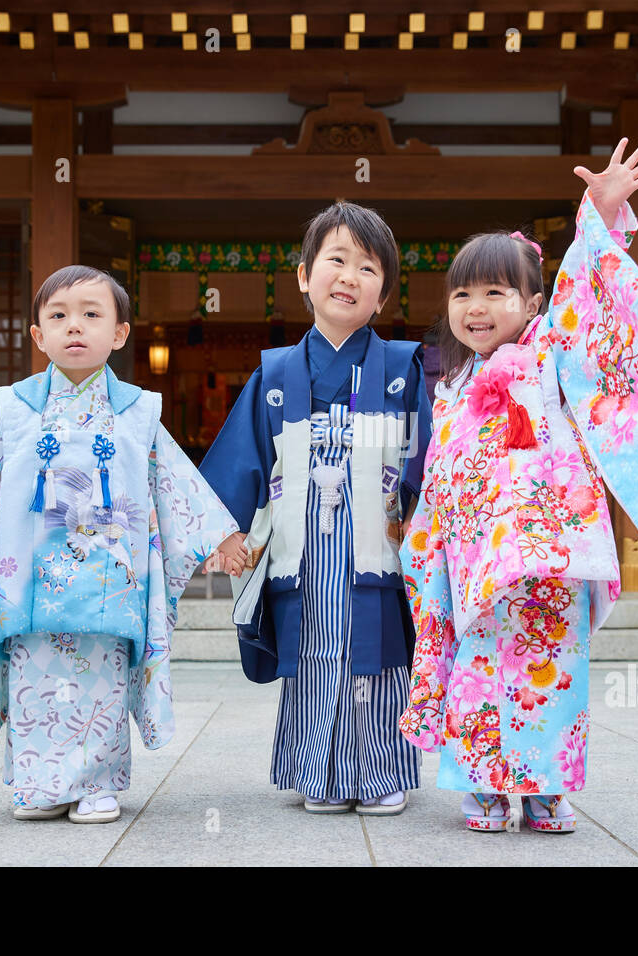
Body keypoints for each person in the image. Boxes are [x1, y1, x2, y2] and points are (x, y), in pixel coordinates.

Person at [399, 140, 638, 832]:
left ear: (530, 302)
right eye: (462, 293)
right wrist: (425, 541)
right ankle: (487, 785)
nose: (475, 307)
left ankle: (548, 785)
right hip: (476, 558)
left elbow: (586, 287)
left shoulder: (550, 355)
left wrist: (601, 211)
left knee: (551, 668)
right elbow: (441, 474)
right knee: (480, 666)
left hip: (552, 551)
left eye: (496, 291)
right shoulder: (451, 388)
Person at [0, 265, 246, 824]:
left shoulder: (137, 411)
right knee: (33, 675)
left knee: (99, 681)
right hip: (28, 580)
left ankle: (98, 783)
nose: (74, 327)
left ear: (120, 333)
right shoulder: (17, 408)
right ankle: (36, 781)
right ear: (38, 336)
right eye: (58, 316)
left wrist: (221, 534)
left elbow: (172, 480)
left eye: (91, 315)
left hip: (108, 579)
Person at [200, 202, 432, 815]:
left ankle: (382, 778)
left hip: (376, 544)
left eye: (368, 266)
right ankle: (318, 776)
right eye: (336, 259)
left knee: (379, 662)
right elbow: (242, 459)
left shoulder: (403, 368)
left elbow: (429, 464)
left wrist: (431, 528)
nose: (349, 276)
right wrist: (226, 532)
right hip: (301, 548)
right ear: (304, 276)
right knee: (314, 658)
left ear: (384, 292)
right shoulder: (275, 373)